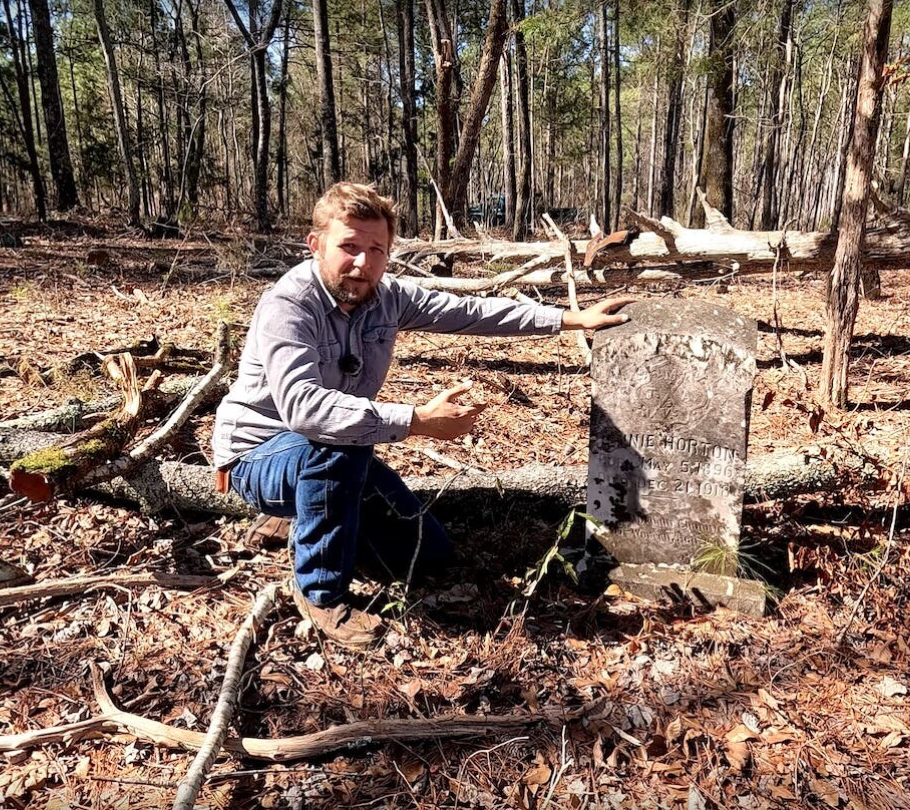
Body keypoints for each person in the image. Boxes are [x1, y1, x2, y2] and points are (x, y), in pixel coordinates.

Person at [211, 182, 633, 648]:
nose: (362, 263)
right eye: (348, 246)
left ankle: (308, 514)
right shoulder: (289, 306)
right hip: (257, 454)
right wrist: (417, 420)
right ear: (316, 245)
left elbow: (472, 311)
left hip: (338, 454)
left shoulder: (387, 297)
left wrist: (571, 319)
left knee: (427, 554)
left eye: (376, 250)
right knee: (332, 452)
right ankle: (321, 593)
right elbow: (305, 410)